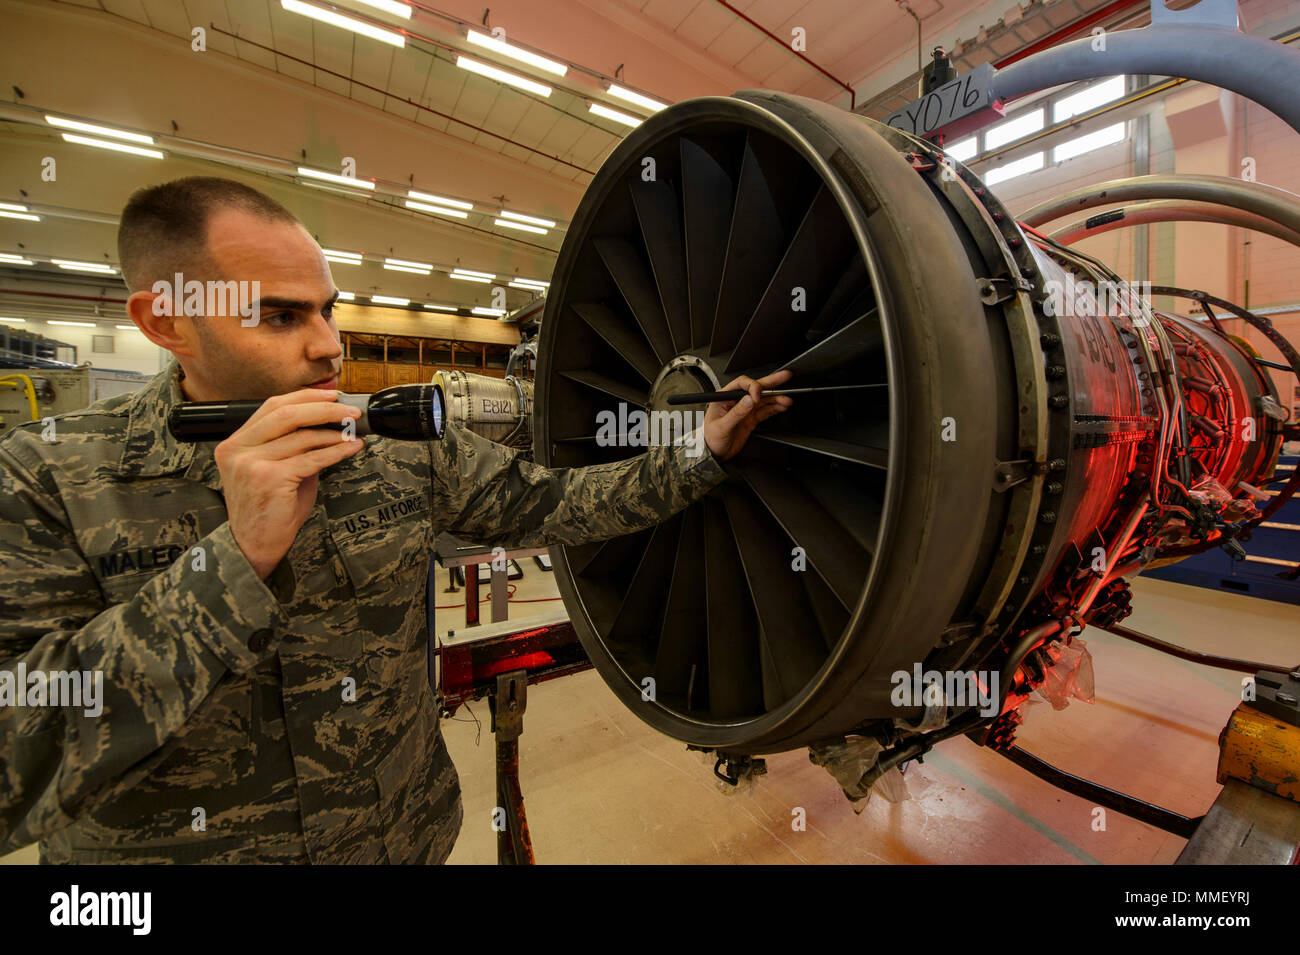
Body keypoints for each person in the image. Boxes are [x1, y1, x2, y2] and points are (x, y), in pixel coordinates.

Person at [0, 176, 793, 863]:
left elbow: (556, 502)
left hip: (400, 840)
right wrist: (230, 564)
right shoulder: (52, 478)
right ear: (168, 322)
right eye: (281, 317)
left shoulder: (392, 441)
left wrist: (699, 452)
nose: (329, 347)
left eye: (328, 310)